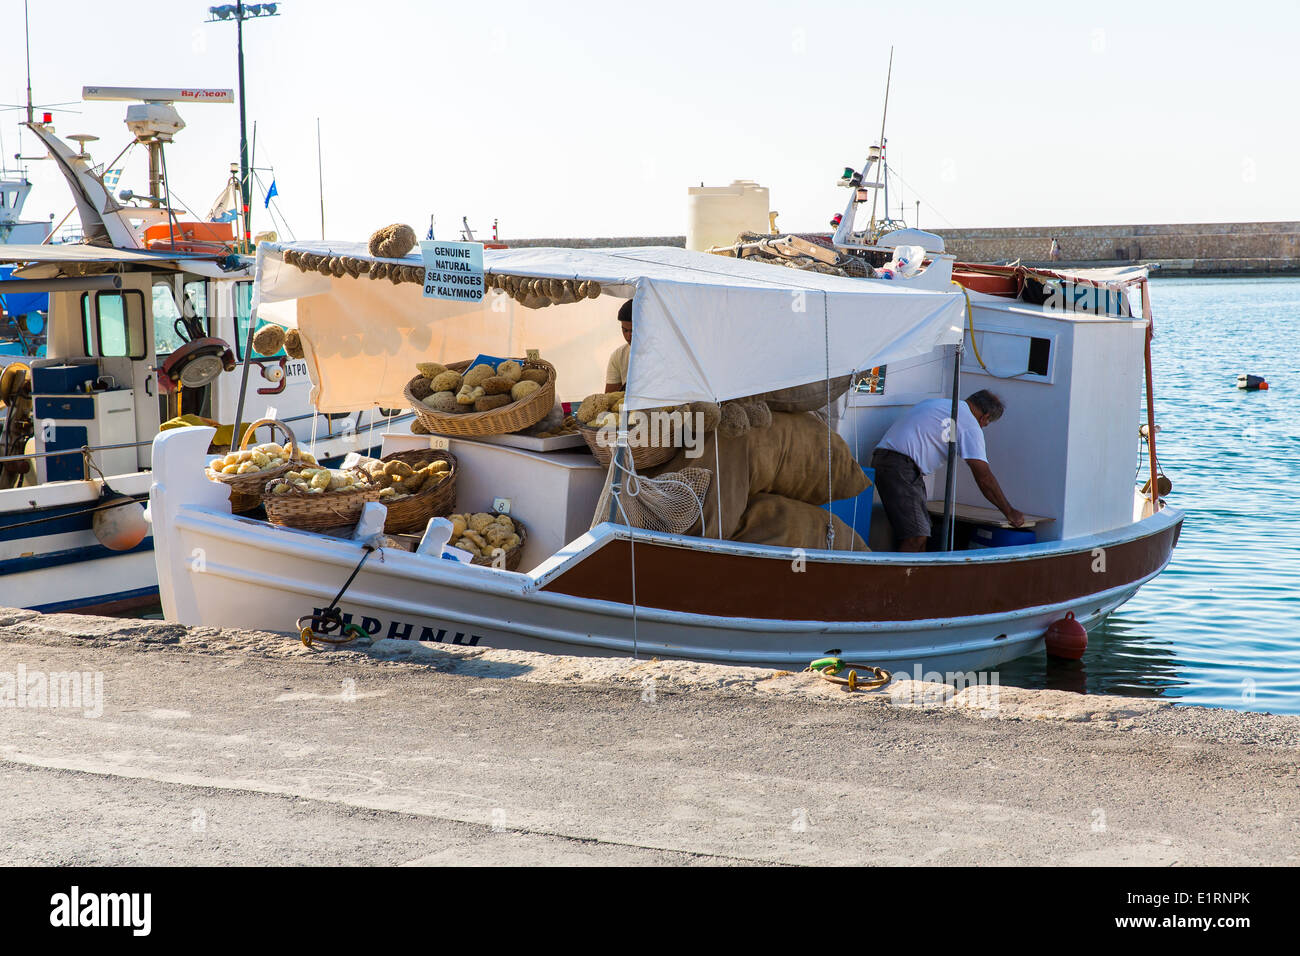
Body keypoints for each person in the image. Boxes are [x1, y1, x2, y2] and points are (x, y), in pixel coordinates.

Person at [870, 389, 1024, 552]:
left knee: (922, 531)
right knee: (916, 536)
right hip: (901, 466)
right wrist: (1009, 511)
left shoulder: (938, 404)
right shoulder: (970, 424)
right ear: (984, 417)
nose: (982, 427)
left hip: (886, 459)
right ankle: (900, 577)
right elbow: (984, 477)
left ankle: (914, 575)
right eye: (985, 424)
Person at [605, 298, 633, 393]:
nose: (629, 336)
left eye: (634, 330)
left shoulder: (663, 353)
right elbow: (610, 399)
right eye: (625, 330)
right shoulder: (618, 356)